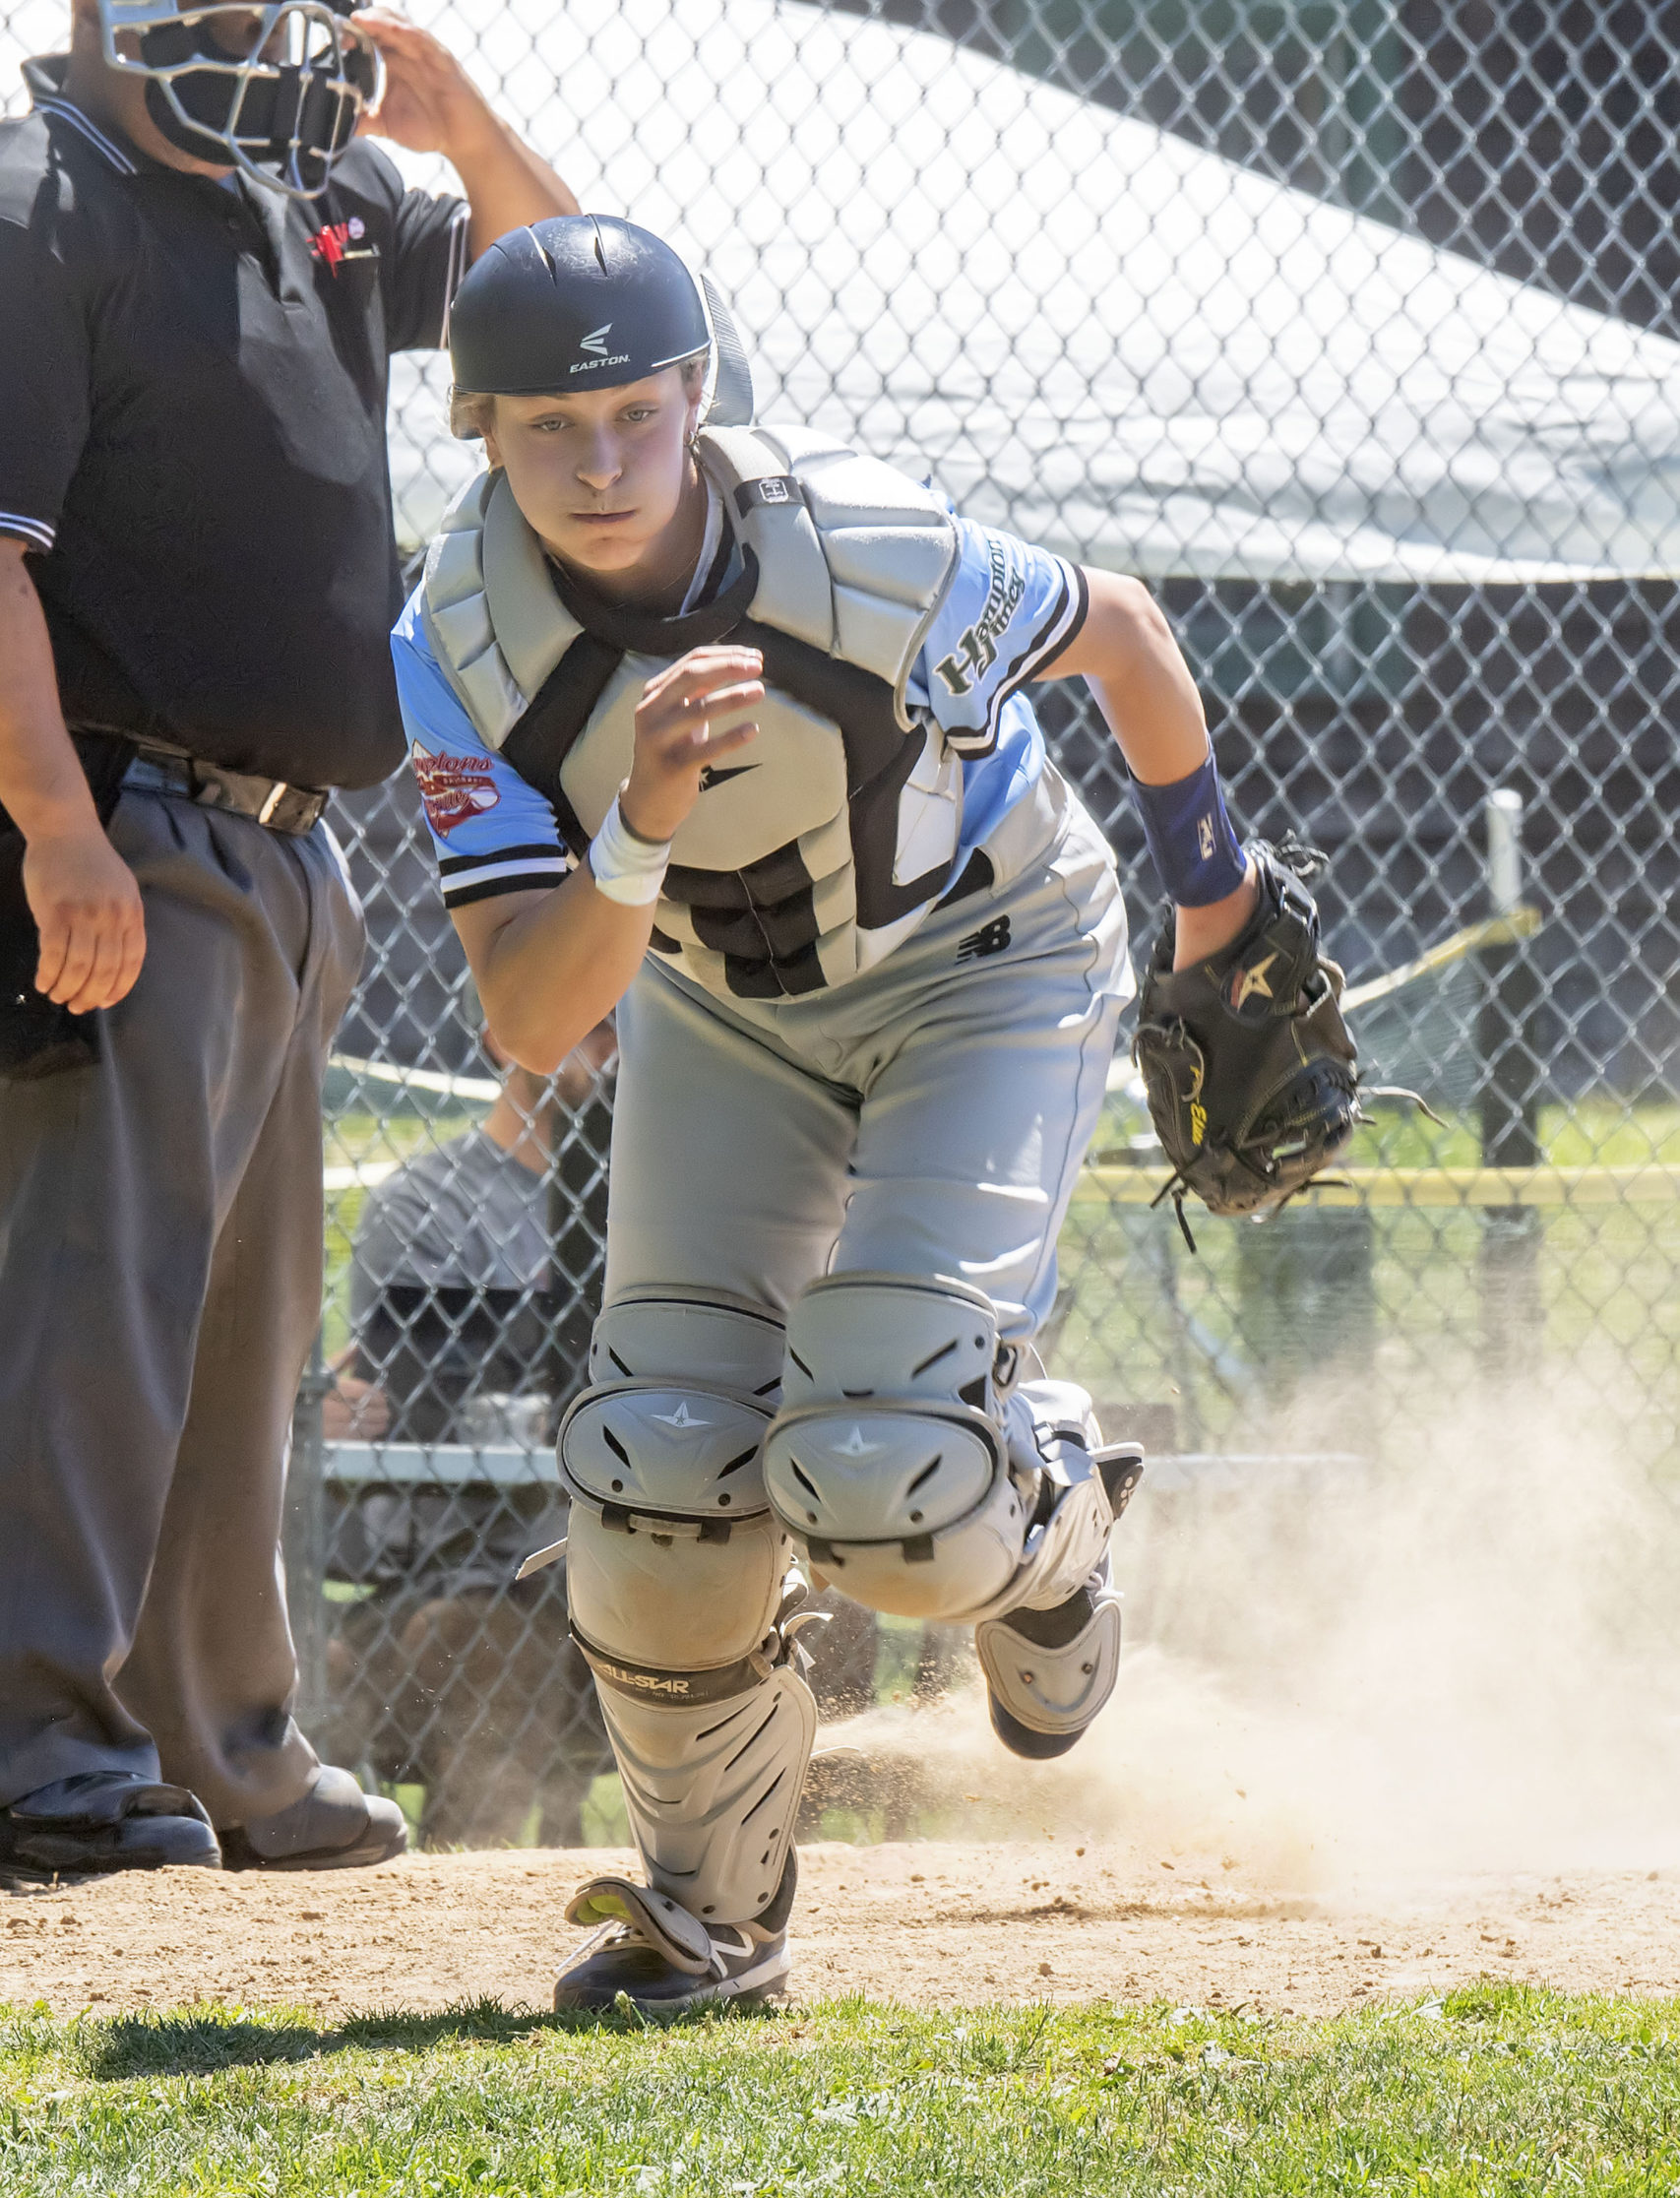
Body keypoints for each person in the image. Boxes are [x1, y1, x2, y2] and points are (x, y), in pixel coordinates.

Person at [393, 215, 1357, 2008]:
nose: (597, 465)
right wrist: (643, 814)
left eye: (632, 415)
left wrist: (1213, 912)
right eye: (543, 427)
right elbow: (533, 1005)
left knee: (888, 1485)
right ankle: (715, 1911)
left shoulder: (866, 549)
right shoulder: (457, 637)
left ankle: (1049, 1522)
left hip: (985, 957)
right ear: (478, 431)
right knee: (660, 1464)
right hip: (717, 1008)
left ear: (695, 397)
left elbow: (1125, 639)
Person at [0, 0, 579, 1879]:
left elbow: (577, 310)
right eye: (234, 11)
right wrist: (54, 828)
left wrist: (470, 123)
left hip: (287, 851)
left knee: (236, 1338)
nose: (274, 41)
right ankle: (36, 1753)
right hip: (123, 832)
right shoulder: (44, 194)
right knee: (96, 1316)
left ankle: (215, 1744)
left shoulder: (312, 188)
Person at [322, 1007, 615, 1846]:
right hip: (477, 1569)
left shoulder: (671, 1204)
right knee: (491, 1629)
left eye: (633, 1022)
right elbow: (419, 1403)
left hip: (641, 1561)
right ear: (502, 1034)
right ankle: (456, 1934)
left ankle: (831, 1901)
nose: (617, 1045)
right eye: (591, 1020)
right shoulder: (427, 1206)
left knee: (818, 1606)